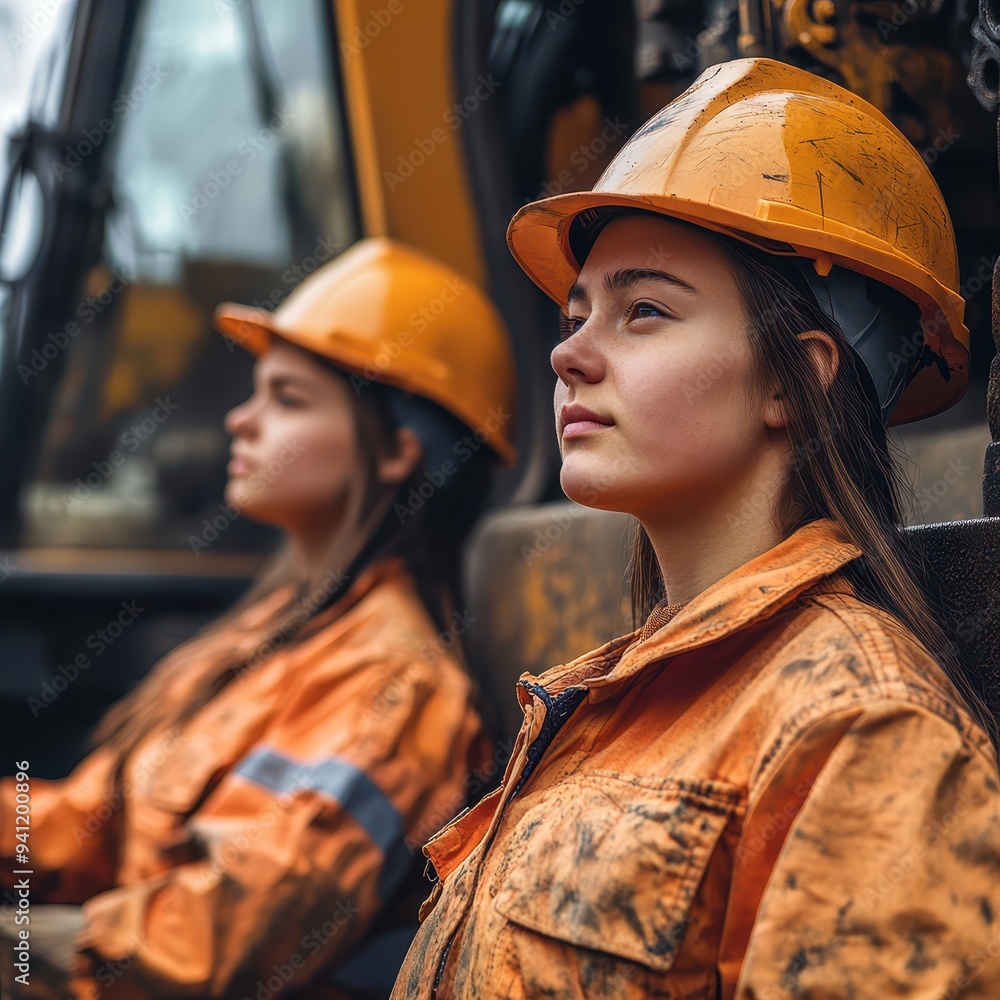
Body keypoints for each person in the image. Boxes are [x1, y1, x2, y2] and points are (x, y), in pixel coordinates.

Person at [390, 58, 1000, 999]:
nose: (568, 354)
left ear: (795, 378)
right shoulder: (619, 692)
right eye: (577, 314)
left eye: (644, 311)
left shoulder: (863, 734)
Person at [0, 237, 517, 1000]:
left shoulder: (390, 687)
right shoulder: (276, 629)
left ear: (399, 452)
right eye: (255, 393)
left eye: (288, 399)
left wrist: (15, 948)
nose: (241, 420)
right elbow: (95, 819)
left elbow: (214, 947)